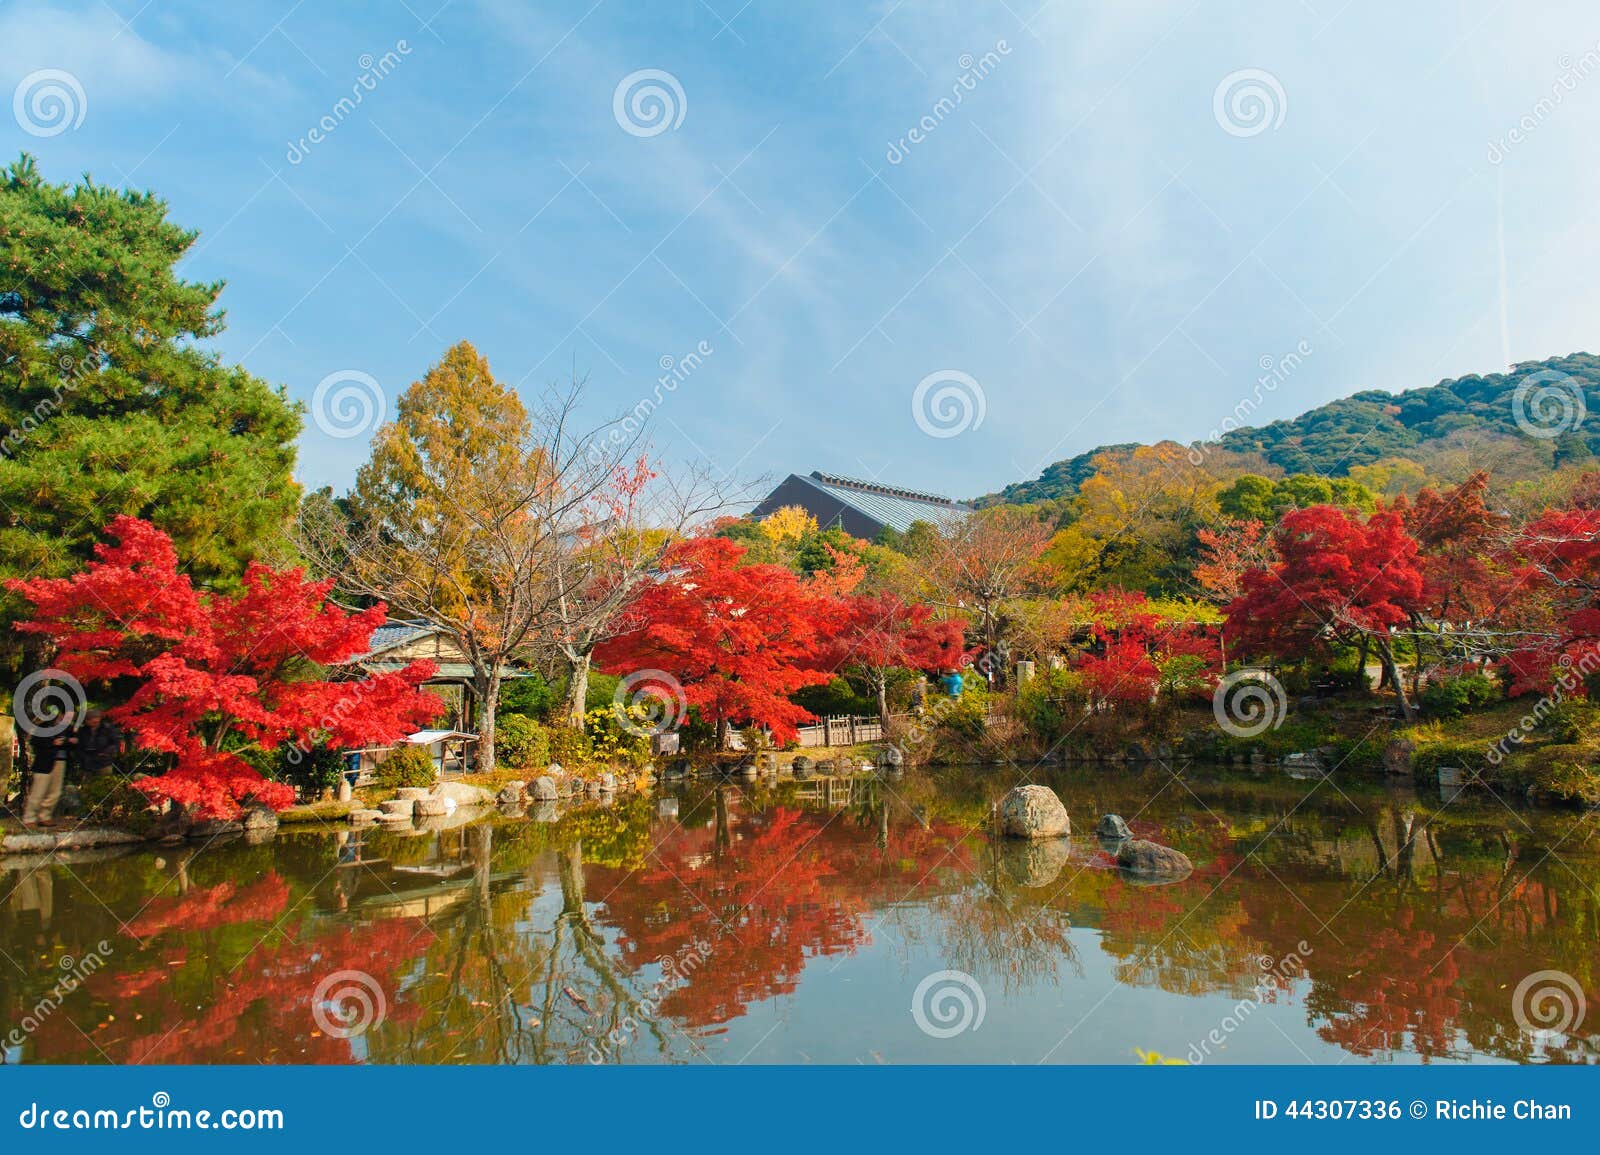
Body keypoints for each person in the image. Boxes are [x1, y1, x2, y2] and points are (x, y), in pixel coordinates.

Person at [23, 711, 78, 828]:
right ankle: (29, 818)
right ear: (60, 715)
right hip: (44, 762)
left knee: (55, 791)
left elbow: (73, 745)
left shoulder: (70, 730)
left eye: (71, 718)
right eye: (67, 716)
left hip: (61, 761)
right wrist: (52, 743)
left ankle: (45, 816)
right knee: (39, 791)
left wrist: (71, 741)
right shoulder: (45, 727)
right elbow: (35, 742)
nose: (68, 719)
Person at [76, 709, 122, 779]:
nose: (94, 722)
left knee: (103, 783)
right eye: (89, 720)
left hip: (103, 762)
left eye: (96, 720)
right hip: (87, 763)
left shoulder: (107, 729)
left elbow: (116, 743)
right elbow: (79, 746)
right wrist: (83, 757)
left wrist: (106, 753)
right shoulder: (83, 730)